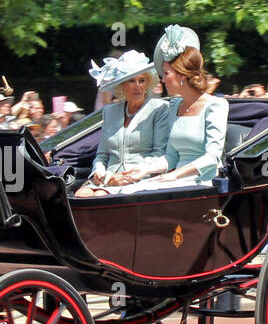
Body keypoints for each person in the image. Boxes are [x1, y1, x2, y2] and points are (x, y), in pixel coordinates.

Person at [135, 25, 228, 189]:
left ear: (182, 75)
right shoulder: (174, 106)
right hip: (177, 181)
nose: (162, 80)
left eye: (166, 73)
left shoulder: (216, 105)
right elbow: (171, 156)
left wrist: (174, 175)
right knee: (131, 189)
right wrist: (143, 170)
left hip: (204, 182)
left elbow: (213, 157)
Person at [73, 50, 171, 197]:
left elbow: (159, 153)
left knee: (100, 196)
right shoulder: (110, 111)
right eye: (132, 80)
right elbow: (102, 154)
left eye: (142, 80)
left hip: (141, 179)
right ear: (122, 85)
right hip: (109, 178)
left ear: (148, 82)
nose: (137, 86)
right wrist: (99, 172)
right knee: (81, 194)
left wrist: (128, 176)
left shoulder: (159, 109)